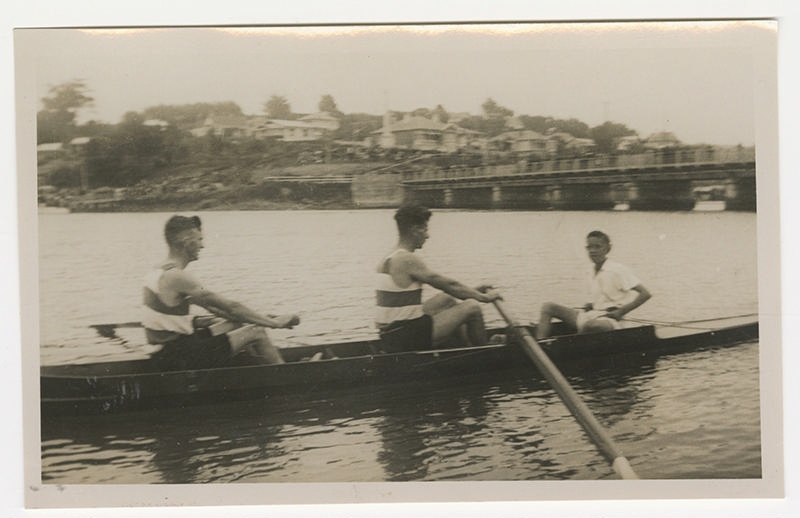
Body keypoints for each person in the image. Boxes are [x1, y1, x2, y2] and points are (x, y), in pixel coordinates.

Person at [142, 215, 300, 370]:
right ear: (186, 242)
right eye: (199, 240)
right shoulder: (177, 277)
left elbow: (216, 310)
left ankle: (255, 367)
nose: (202, 246)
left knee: (236, 324)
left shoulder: (157, 271)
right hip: (176, 357)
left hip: (169, 351)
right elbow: (231, 307)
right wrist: (275, 324)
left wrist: (261, 317)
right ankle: (286, 377)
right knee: (256, 331)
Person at [375, 204, 502, 353]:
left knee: (446, 300)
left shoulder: (390, 256)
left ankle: (463, 347)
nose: (427, 236)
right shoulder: (407, 259)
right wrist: (483, 298)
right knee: (472, 307)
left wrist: (472, 290)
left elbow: (450, 289)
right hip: (403, 339)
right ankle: (485, 353)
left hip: (390, 334)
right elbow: (448, 284)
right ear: (415, 230)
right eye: (425, 229)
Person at [535, 230, 652, 340]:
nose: (592, 251)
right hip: (589, 316)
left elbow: (645, 294)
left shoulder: (618, 269)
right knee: (548, 307)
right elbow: (600, 297)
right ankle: (541, 344)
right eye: (589, 247)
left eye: (597, 247)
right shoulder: (591, 270)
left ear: (607, 249)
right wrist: (590, 305)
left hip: (609, 321)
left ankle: (567, 346)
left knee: (591, 326)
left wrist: (621, 312)